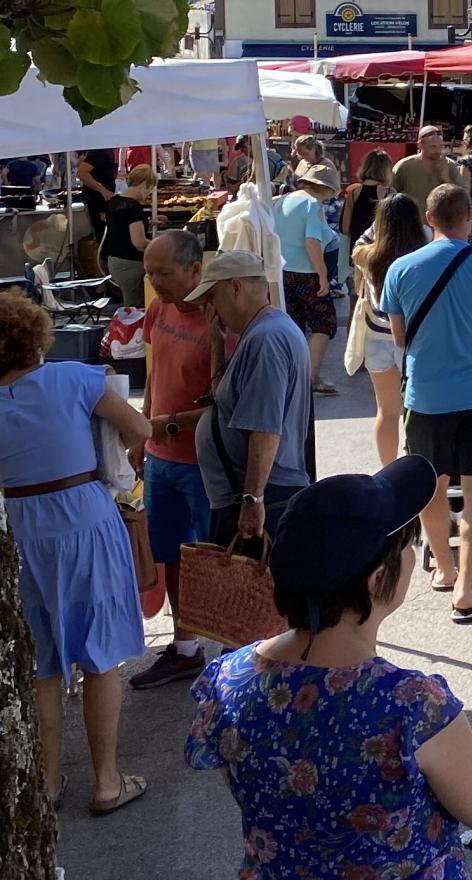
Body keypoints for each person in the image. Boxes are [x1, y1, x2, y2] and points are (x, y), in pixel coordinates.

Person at [187, 457, 472, 875]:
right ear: (376, 580)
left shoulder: (226, 679)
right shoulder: (411, 704)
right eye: (407, 544)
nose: (413, 553)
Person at [0, 290, 152, 815]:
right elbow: (139, 427)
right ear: (33, 336)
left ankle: (48, 782)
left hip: (22, 526)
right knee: (101, 654)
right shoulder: (71, 378)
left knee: (42, 659)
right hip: (84, 516)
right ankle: (107, 781)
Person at [386, 184, 472, 623]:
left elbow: (399, 339)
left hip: (427, 396)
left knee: (430, 488)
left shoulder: (401, 269)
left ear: (429, 220)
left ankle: (444, 570)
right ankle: (466, 590)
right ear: (470, 218)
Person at [128, 231, 220, 690]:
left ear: (195, 270)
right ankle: (185, 647)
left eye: (164, 273)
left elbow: (223, 405)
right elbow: (155, 369)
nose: (155, 282)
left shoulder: (220, 324)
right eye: (149, 273)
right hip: (159, 456)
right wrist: (142, 429)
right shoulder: (158, 308)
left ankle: (223, 646)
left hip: (201, 463)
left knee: (209, 558)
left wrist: (161, 425)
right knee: (171, 555)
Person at [188, 251, 314, 547]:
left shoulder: (265, 339)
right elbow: (223, 402)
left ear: (236, 288)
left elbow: (265, 429)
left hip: (264, 498)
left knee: (249, 591)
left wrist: (252, 499)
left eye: (213, 296)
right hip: (252, 494)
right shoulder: (260, 332)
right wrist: (217, 344)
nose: (210, 307)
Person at [351, 194, 429, 467]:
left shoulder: (370, 255)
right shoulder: (425, 251)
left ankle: (388, 473)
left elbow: (358, 246)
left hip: (377, 339)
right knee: (418, 409)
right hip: (413, 339)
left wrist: (380, 223)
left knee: (386, 410)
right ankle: (420, 471)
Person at [273, 162, 340, 395]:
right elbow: (312, 241)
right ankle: (309, 377)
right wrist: (323, 274)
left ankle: (292, 376)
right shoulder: (313, 205)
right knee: (324, 323)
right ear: (326, 189)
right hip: (307, 273)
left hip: (283, 270)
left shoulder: (282, 200)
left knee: (294, 324)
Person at [100, 163, 157, 307]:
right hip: (130, 264)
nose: (148, 194)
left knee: (132, 305)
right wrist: (161, 245)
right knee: (135, 308)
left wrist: (148, 223)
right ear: (143, 184)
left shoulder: (114, 201)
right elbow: (139, 242)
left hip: (114, 261)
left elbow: (121, 226)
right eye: (149, 189)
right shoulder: (133, 207)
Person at [392, 125, 466, 211]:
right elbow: (391, 196)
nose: (437, 151)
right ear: (420, 145)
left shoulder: (450, 166)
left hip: (440, 222)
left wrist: (446, 179)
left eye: (440, 146)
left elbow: (463, 198)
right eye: (433, 147)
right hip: (411, 221)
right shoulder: (404, 166)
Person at [77, 145, 119, 276]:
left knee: (105, 241)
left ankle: (106, 278)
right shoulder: (100, 150)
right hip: (97, 202)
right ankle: (103, 281)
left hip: (103, 201)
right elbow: (81, 173)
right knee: (102, 242)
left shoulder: (107, 150)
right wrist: (102, 190)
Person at [341, 149, 393, 253]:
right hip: (380, 249)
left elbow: (345, 228)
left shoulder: (353, 193)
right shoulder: (389, 193)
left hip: (358, 250)